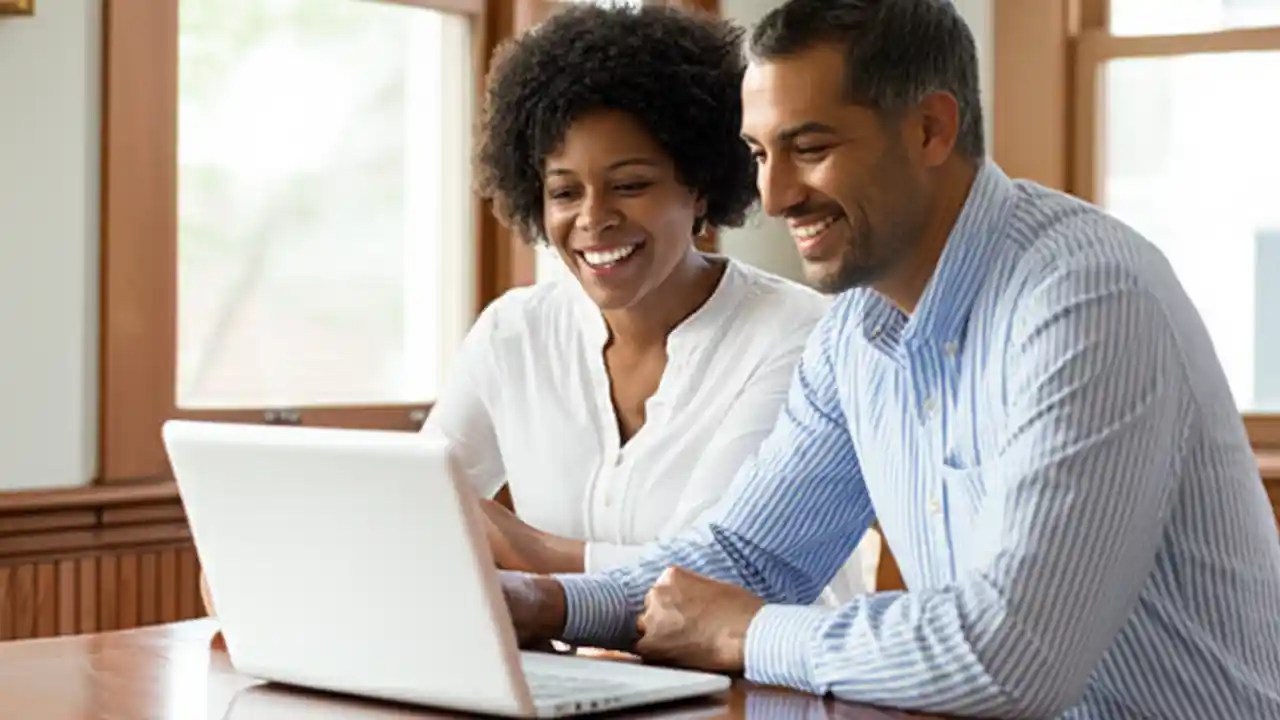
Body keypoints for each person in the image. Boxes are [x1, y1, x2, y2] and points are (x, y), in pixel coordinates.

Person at [499, 1, 1280, 717]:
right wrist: (551, 602)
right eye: (759, 153)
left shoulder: (1086, 298)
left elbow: (1009, 658)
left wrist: (750, 633)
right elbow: (748, 556)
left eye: (810, 148)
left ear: (931, 131)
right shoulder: (853, 335)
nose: (774, 197)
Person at [423, 4, 874, 600]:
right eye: (564, 191)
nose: (592, 218)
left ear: (700, 186)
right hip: (592, 683)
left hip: (770, 687)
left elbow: (714, 575)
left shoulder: (798, 335)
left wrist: (525, 548)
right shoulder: (513, 334)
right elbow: (414, 509)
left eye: (630, 185)